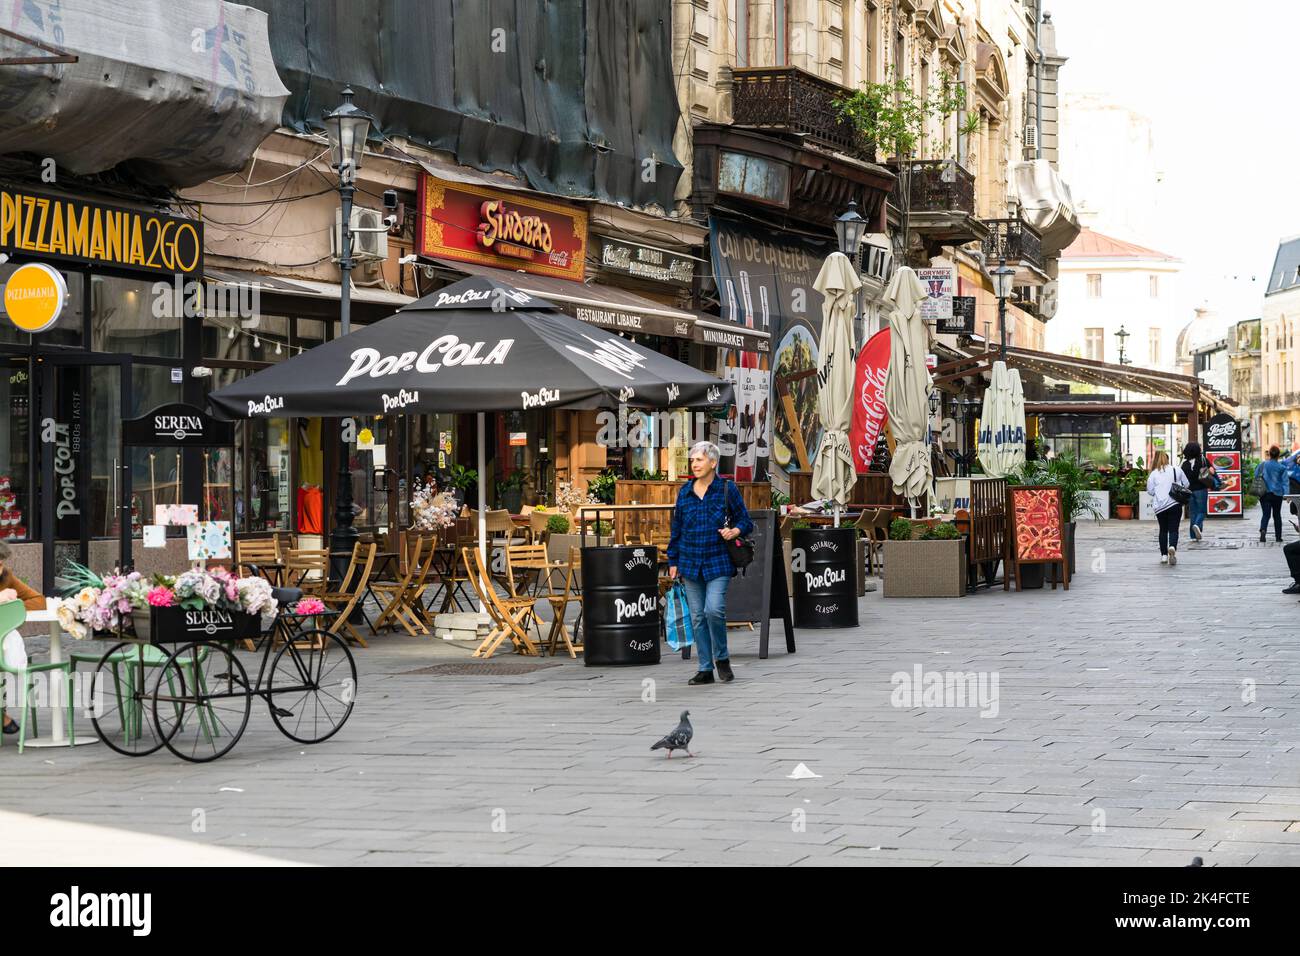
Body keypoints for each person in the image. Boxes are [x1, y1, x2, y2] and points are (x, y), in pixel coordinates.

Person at [667, 440, 754, 686]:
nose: (694, 464)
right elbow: (677, 528)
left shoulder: (727, 489)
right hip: (690, 561)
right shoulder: (684, 492)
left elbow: (745, 521)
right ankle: (705, 668)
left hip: (718, 561)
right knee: (697, 617)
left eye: (699, 459)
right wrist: (672, 559)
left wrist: (734, 531)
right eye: (692, 460)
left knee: (713, 610)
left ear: (713, 463)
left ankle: (722, 658)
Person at [0, 542, 47, 734]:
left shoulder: (6, 576)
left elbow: (39, 601)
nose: (0, 568)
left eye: (1, 563)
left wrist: (13, 605)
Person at [1146, 450, 1189, 565]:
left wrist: (1159, 490)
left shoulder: (1153, 474)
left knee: (1163, 530)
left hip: (1160, 507)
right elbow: (1187, 484)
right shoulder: (1177, 470)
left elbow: (1150, 491)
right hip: (1175, 504)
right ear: (1168, 459)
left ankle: (1164, 555)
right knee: (1174, 529)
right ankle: (1172, 546)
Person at [1253, 446, 1289, 543]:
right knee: (1277, 515)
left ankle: (1263, 530)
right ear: (1278, 455)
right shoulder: (1282, 467)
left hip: (1264, 494)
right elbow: (1285, 482)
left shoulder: (1263, 465)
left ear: (1269, 454)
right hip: (1277, 494)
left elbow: (1256, 475)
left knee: (1266, 514)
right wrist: (1287, 495)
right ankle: (1278, 537)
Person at [1180, 441, 1214, 541]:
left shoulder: (1184, 464)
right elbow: (1212, 471)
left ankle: (1193, 536)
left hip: (1189, 490)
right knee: (1202, 511)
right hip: (1201, 489)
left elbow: (1182, 478)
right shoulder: (1203, 460)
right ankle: (1197, 525)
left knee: (1193, 513)